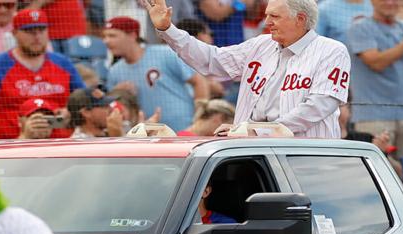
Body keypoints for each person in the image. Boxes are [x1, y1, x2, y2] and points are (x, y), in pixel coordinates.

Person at [146, 0, 349, 139]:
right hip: (256, 152)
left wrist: (257, 131)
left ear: (301, 19)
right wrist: (167, 30)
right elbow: (212, 60)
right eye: (267, 14)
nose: (267, 22)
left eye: (275, 16)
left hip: (307, 157)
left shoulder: (331, 51)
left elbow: (318, 106)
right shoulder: (261, 44)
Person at [347, 0, 403, 176]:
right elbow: (376, 62)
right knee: (375, 171)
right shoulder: (360, 28)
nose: (390, 2)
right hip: (373, 114)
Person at [0, 7, 82, 140]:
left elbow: (84, 104)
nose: (37, 36)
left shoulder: (63, 64)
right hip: (11, 147)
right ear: (14, 33)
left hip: (60, 146)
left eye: (41, 30)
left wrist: (69, 112)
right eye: (29, 31)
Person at [103, 14, 200, 132]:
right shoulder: (114, 71)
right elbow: (115, 109)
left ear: (132, 35)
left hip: (184, 128)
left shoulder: (164, 53)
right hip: (147, 136)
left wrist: (199, 116)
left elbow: (199, 82)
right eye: (105, 36)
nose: (106, 41)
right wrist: (118, 93)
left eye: (112, 36)